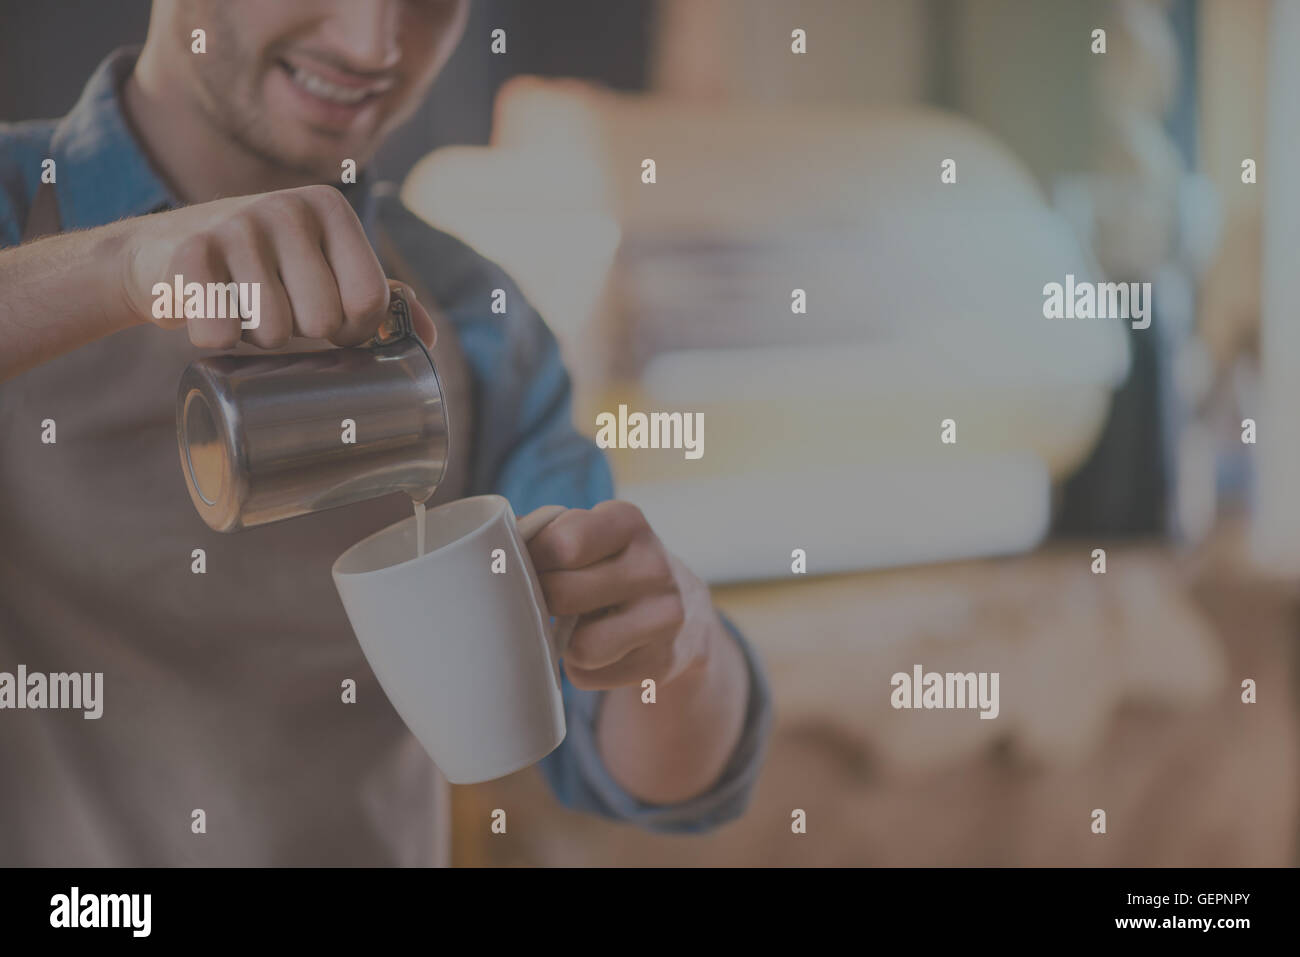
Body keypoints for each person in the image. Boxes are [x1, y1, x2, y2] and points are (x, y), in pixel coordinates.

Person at [0, 0, 772, 865]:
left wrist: (679, 643)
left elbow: (644, 770)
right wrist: (124, 266)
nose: (373, 44)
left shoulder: (472, 312)